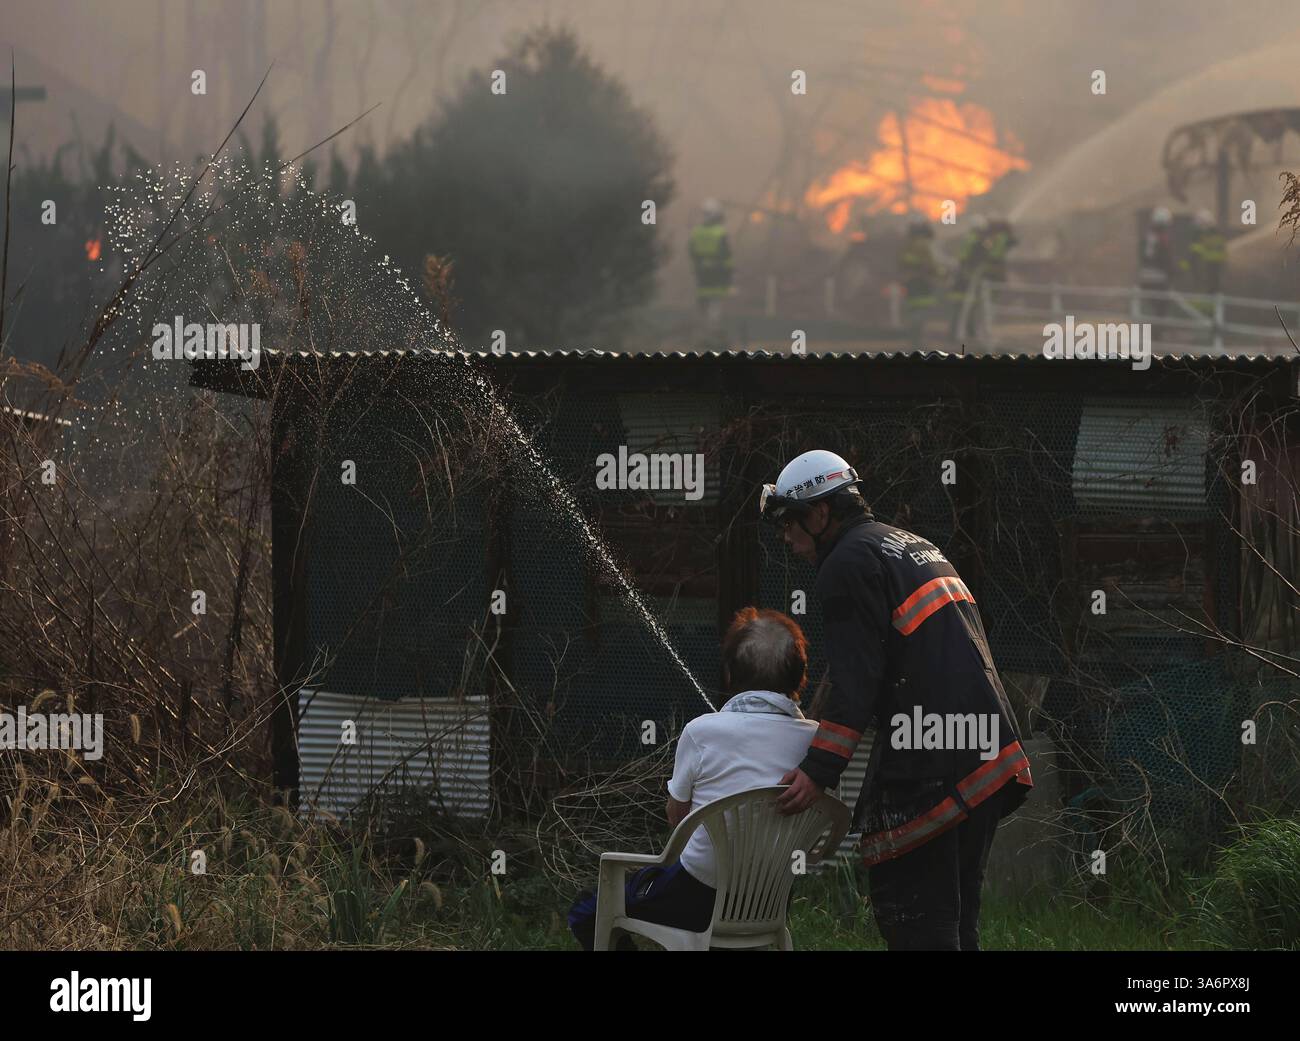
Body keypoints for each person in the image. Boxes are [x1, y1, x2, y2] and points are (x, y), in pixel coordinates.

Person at [759, 449, 1033, 951]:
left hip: (935, 762)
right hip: (987, 755)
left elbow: (856, 684)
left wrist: (817, 771)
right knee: (957, 925)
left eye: (789, 521)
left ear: (820, 513)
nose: (786, 537)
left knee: (913, 916)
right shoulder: (909, 545)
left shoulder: (843, 564)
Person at [567, 607, 819, 950]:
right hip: (772, 898)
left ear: (730, 674)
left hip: (696, 894)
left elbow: (677, 819)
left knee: (586, 911)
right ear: (799, 676)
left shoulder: (701, 731)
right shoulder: (818, 745)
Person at [898, 215, 942, 349]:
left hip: (910, 282)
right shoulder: (923, 245)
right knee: (922, 310)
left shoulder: (907, 244)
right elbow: (931, 264)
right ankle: (918, 340)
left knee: (914, 310)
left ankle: (914, 340)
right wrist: (941, 274)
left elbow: (904, 261)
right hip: (922, 282)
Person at [688, 198, 733, 328]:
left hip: (702, 272)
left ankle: (700, 328)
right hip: (717, 272)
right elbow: (726, 255)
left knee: (703, 299)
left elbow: (691, 251)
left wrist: (699, 264)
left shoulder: (697, 231)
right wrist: (729, 274)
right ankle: (712, 330)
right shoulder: (720, 232)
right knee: (715, 301)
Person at [948, 213, 989, 340]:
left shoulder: (968, 239)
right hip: (967, 278)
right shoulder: (976, 242)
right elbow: (971, 259)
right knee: (964, 306)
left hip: (964, 277)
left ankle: (967, 332)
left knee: (967, 306)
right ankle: (957, 334)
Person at [1138, 206, 1175, 319]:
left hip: (1144, 277)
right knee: (1161, 310)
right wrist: (1174, 271)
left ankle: (1151, 332)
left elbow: (1142, 256)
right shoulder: (1162, 238)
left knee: (1149, 311)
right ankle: (1157, 334)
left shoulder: (1146, 237)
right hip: (1159, 279)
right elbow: (1165, 258)